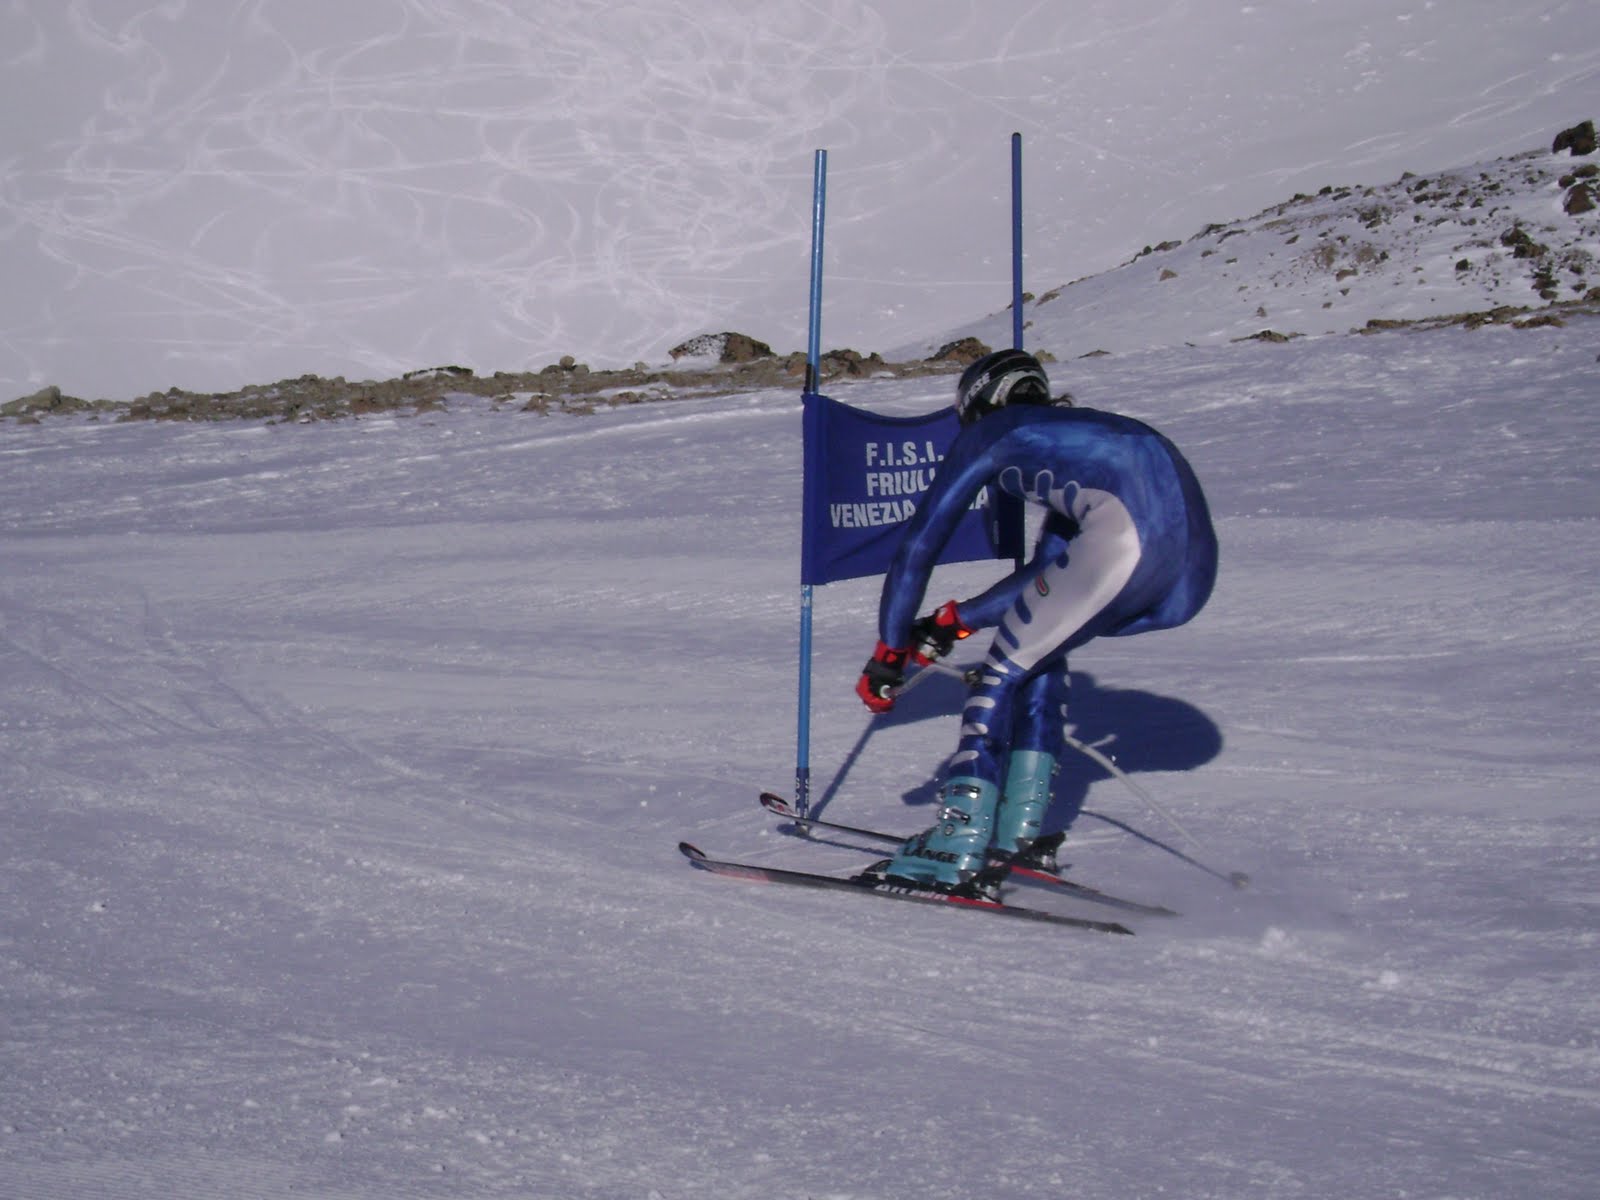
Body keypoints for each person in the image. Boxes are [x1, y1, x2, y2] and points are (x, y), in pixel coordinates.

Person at [855, 348, 1218, 896]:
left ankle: (958, 840)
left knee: (1003, 669)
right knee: (1040, 644)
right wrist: (953, 622)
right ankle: (1018, 832)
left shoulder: (997, 431)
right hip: (1189, 572)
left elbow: (917, 547)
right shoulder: (1072, 442)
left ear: (977, 404)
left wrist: (888, 654)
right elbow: (1051, 578)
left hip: (1127, 540)